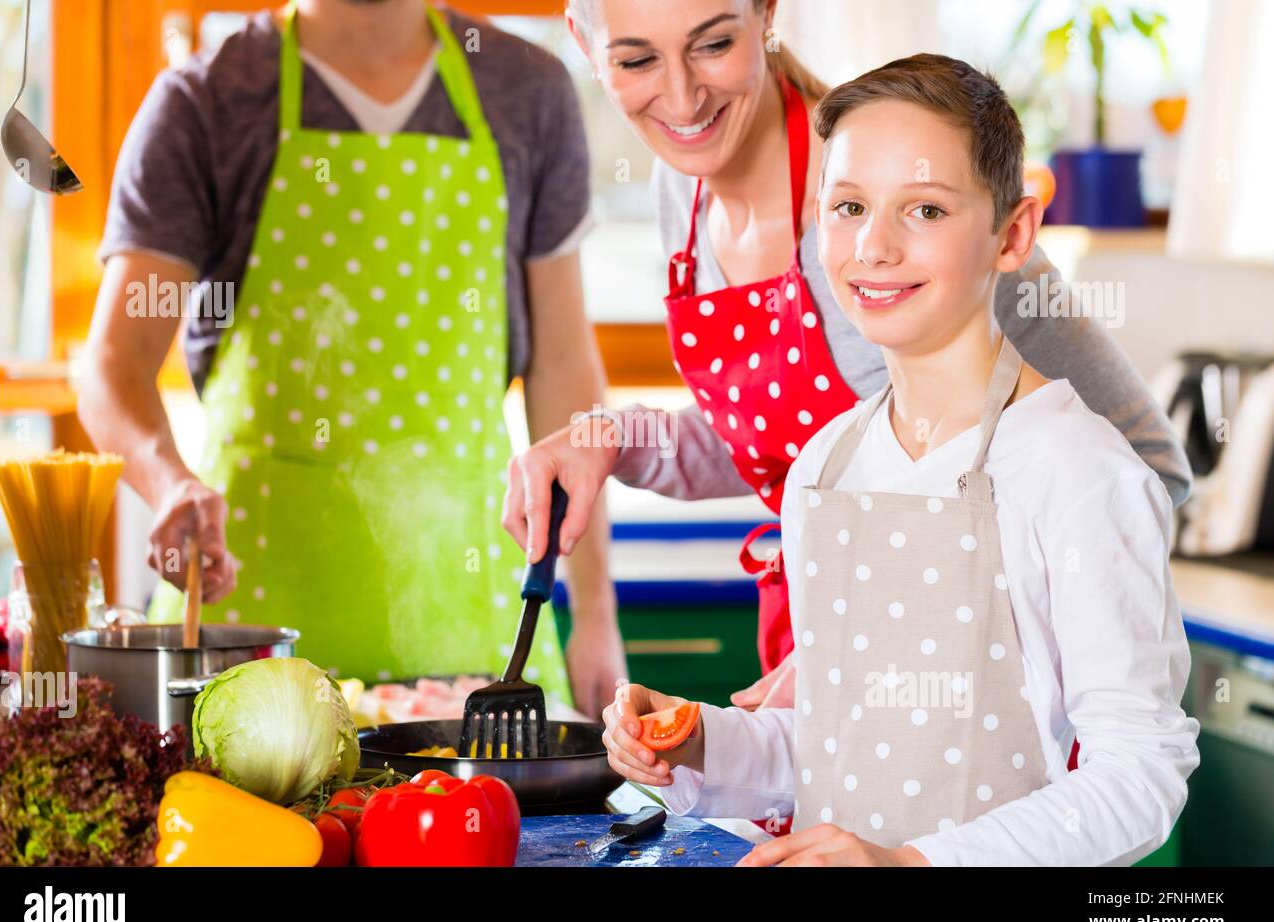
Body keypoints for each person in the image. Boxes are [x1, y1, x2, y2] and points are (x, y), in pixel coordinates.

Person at [503, 0, 1191, 713]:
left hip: (985, 705)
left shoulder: (891, 191)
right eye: (637, 59)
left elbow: (1145, 472)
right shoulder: (682, 187)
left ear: (767, 14)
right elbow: (773, 436)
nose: (681, 98)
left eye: (712, 44)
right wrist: (611, 440)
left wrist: (888, 635)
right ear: (585, 45)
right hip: (817, 661)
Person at [602, 55, 1200, 866]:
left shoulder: (1079, 472)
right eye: (848, 206)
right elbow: (836, 745)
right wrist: (700, 741)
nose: (875, 246)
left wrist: (912, 863)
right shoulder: (826, 467)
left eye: (924, 209)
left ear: (1013, 233)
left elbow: (1140, 774)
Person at [77, 0, 625, 711]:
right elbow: (111, 365)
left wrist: (598, 618)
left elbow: (562, 367)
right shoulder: (205, 101)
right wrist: (167, 481)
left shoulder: (526, 89)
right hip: (248, 652)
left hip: (477, 645)